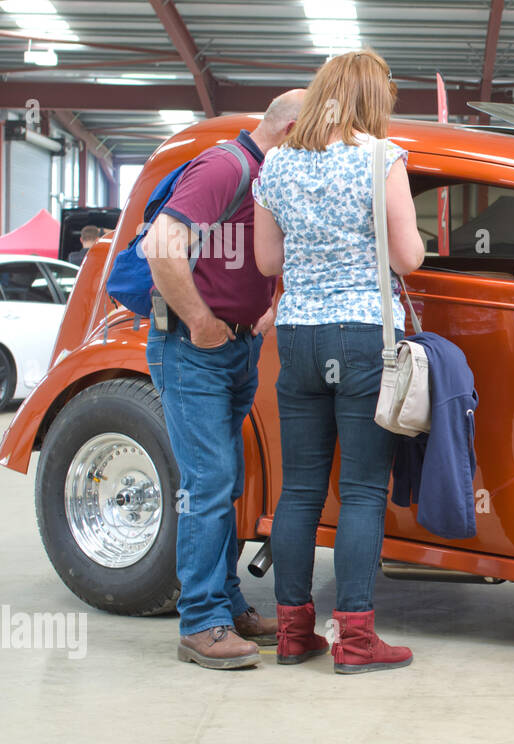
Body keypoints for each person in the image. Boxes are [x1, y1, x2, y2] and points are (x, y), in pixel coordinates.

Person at [252, 49, 423, 674]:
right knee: (360, 490)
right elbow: (408, 258)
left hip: (298, 335)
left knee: (297, 490)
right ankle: (355, 639)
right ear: (372, 101)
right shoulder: (383, 158)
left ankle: (294, 632)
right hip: (363, 338)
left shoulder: (276, 163)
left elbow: (269, 264)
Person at [143, 89, 306, 669]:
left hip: (230, 348)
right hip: (193, 349)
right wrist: (203, 323)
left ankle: (227, 604)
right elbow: (162, 248)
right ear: (289, 132)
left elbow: (243, 258)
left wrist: (256, 314)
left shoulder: (260, 177)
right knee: (209, 482)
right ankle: (201, 623)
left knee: (227, 479)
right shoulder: (225, 166)